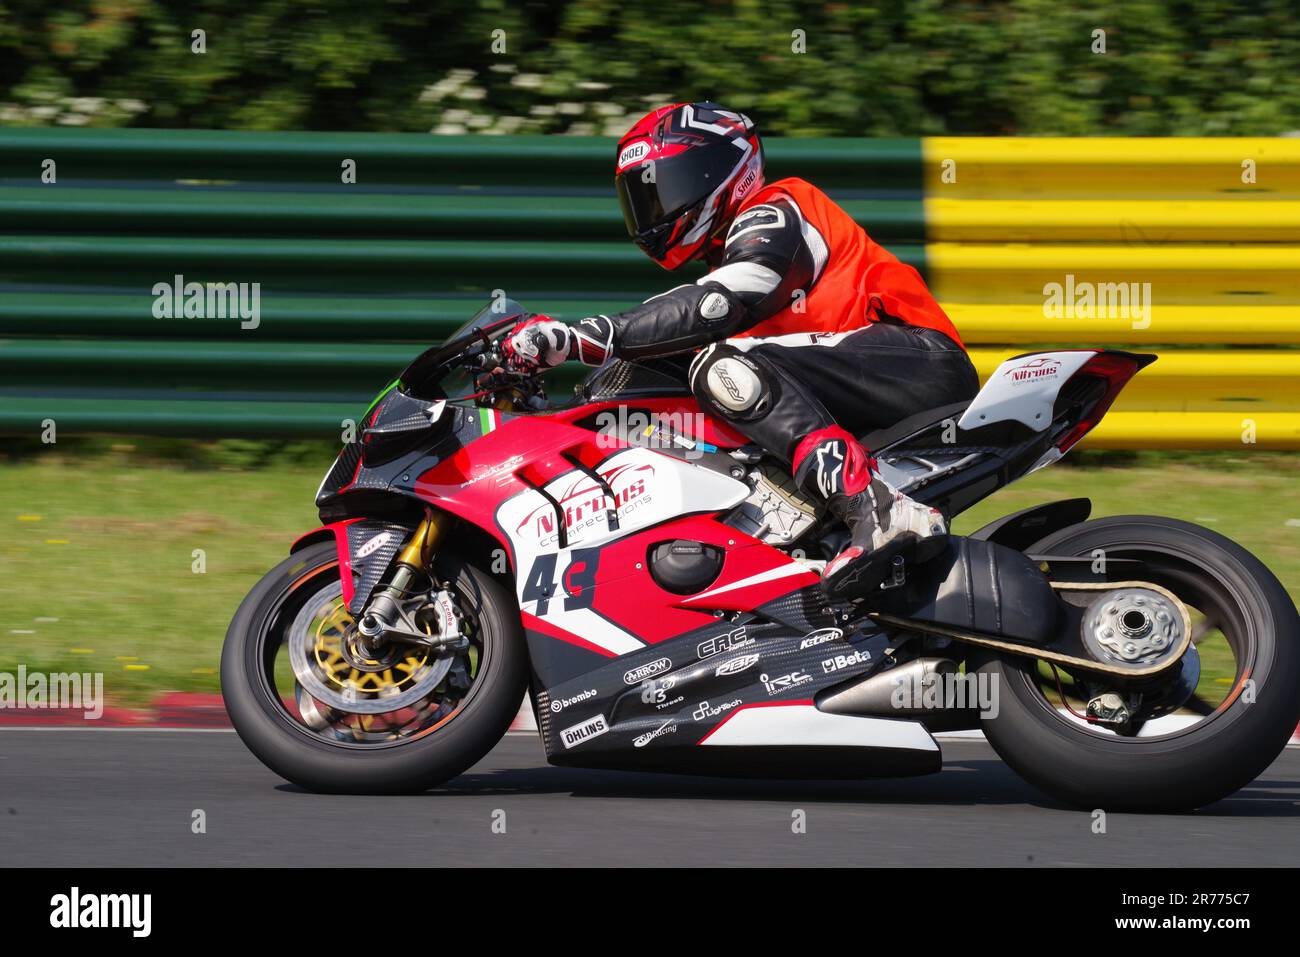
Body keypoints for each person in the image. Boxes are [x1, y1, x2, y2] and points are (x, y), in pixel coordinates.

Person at [504, 102, 979, 599]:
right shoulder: (730, 247)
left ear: (721, 169)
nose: (655, 208)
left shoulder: (778, 209)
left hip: (915, 360)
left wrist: (587, 335)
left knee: (722, 364)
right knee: (646, 380)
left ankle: (878, 509)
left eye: (667, 186)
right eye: (644, 196)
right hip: (854, 379)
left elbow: (719, 303)